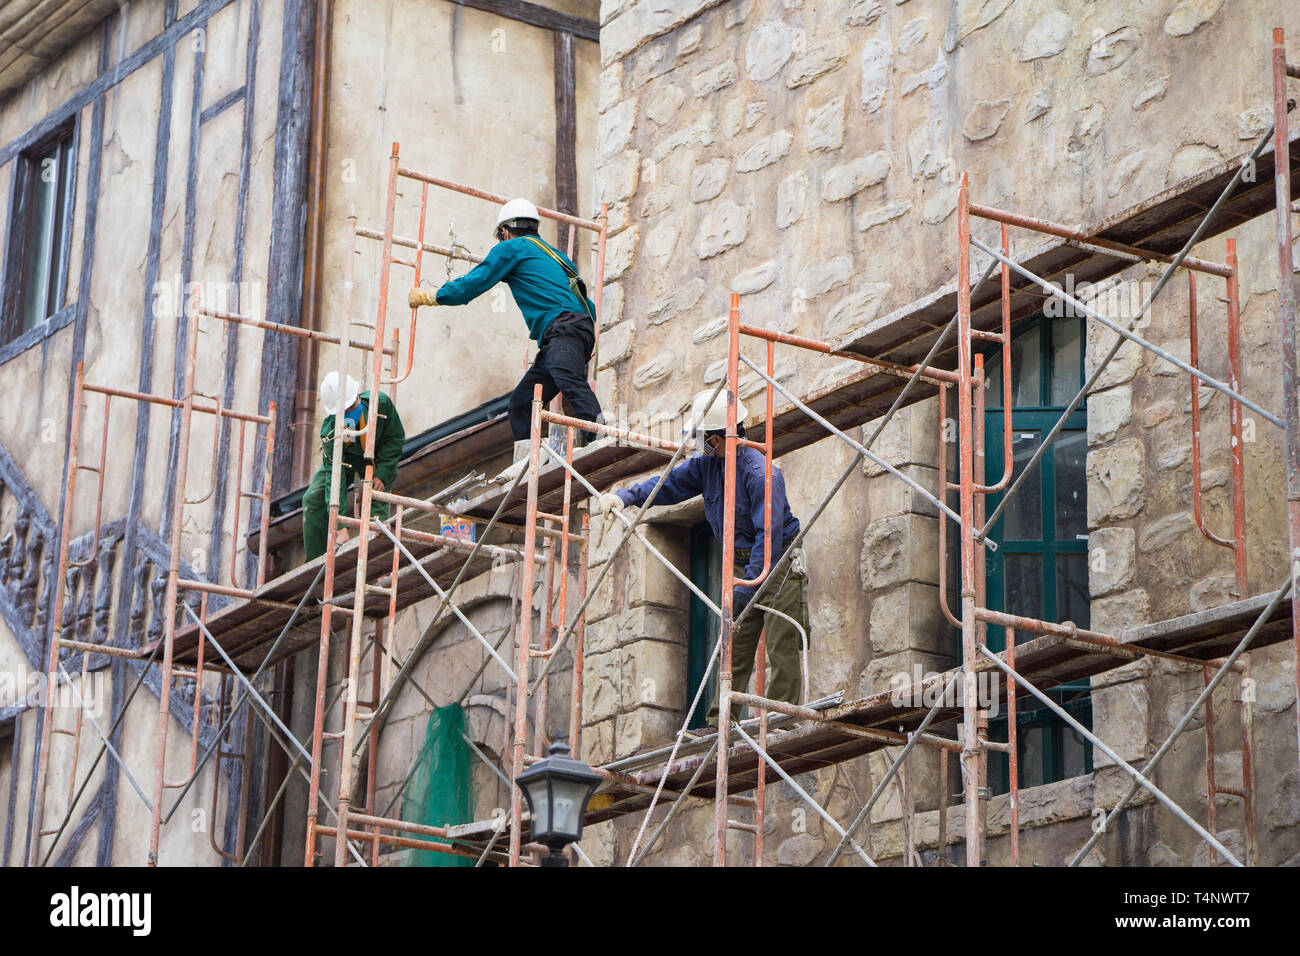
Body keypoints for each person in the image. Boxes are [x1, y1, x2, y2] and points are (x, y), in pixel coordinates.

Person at [592, 389, 810, 732]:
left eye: (704, 439)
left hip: (776, 561)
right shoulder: (708, 466)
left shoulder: (760, 475)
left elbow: (766, 541)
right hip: (741, 563)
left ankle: (781, 720)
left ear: (723, 436)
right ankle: (721, 723)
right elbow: (667, 484)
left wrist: (741, 595)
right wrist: (625, 497)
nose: (700, 445)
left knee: (782, 645)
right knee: (735, 646)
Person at [408, 198, 603, 482]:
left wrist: (431, 296)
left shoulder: (512, 248)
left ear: (505, 232)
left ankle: (600, 434)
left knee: (568, 378)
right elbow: (587, 305)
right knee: (522, 403)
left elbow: (474, 284)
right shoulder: (553, 255)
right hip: (571, 332)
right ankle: (527, 463)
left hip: (564, 329)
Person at [301, 371, 406, 561]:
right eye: (344, 412)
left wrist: (382, 473)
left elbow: (394, 438)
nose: (350, 414)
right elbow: (335, 477)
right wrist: (339, 522)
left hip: (374, 460)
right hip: (344, 462)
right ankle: (316, 562)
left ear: (358, 396)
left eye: (351, 407)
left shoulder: (380, 405)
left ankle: (374, 562)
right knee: (312, 499)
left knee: (376, 500)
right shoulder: (331, 433)